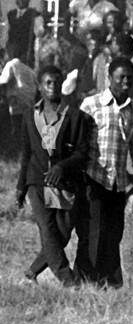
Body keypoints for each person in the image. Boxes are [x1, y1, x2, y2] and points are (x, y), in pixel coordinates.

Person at [76, 56, 133, 288]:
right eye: (120, 78)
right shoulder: (91, 105)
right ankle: (86, 279)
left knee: (114, 233)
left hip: (118, 183)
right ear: (108, 78)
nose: (125, 83)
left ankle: (111, 281)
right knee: (93, 232)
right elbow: (78, 143)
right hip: (94, 178)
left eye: (129, 79)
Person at [14, 64, 89, 287]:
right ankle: (70, 281)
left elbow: (82, 152)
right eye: (48, 83)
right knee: (47, 228)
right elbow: (26, 152)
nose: (53, 87)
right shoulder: (29, 115)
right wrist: (20, 187)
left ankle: (31, 272)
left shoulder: (75, 117)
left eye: (57, 83)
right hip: (36, 181)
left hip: (65, 182)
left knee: (62, 234)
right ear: (39, 86)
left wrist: (62, 166)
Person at [6, 0, 40, 67]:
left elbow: (39, 34)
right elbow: (6, 34)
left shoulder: (34, 15)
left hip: (27, 52)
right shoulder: (11, 14)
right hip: (12, 53)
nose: (21, 1)